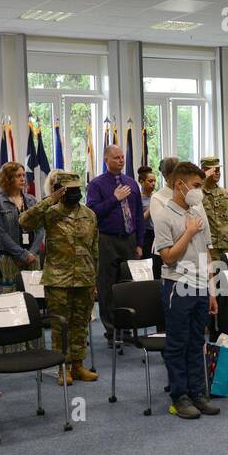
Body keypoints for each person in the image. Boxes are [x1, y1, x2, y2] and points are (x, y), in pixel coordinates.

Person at [153, 162, 220, 419]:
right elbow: (168, 257)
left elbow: (207, 252)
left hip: (201, 286)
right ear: (178, 185)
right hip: (177, 285)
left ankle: (198, 393)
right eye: (195, 186)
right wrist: (188, 232)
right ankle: (179, 396)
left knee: (197, 343)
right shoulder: (163, 215)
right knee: (178, 343)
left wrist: (212, 290)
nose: (198, 191)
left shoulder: (198, 211)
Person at [20, 171, 99, 386]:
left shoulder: (89, 215)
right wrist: (49, 200)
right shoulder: (50, 213)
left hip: (84, 278)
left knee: (80, 324)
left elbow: (94, 249)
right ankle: (62, 367)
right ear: (59, 191)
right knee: (60, 326)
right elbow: (24, 221)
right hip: (58, 280)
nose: (74, 193)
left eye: (77, 189)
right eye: (69, 190)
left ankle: (78, 365)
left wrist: (95, 280)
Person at [85, 144, 142, 344]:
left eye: (122, 157)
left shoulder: (132, 183)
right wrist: (114, 199)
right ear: (106, 160)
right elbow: (92, 213)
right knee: (107, 285)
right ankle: (111, 331)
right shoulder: (96, 184)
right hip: (106, 239)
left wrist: (139, 242)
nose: (121, 160)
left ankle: (126, 328)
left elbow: (138, 216)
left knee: (127, 286)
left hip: (129, 239)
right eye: (116, 157)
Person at [200, 156, 228, 336]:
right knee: (211, 288)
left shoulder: (225, 194)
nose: (217, 172)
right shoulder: (198, 195)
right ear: (204, 170)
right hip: (209, 250)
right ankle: (209, 324)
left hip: (227, 247)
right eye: (213, 169)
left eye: (218, 169)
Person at [0, 161, 42, 293]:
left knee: (33, 297)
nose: (23, 179)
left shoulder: (32, 201)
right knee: (11, 300)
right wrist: (22, 254)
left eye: (24, 175)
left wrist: (31, 253)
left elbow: (40, 229)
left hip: (32, 257)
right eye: (18, 175)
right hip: (8, 259)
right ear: (7, 178)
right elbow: (0, 235)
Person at [137, 165, 158, 256]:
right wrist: (151, 208)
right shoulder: (138, 198)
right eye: (150, 181)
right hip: (145, 234)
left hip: (157, 233)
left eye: (154, 181)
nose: (153, 184)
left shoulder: (157, 197)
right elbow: (139, 220)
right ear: (142, 182)